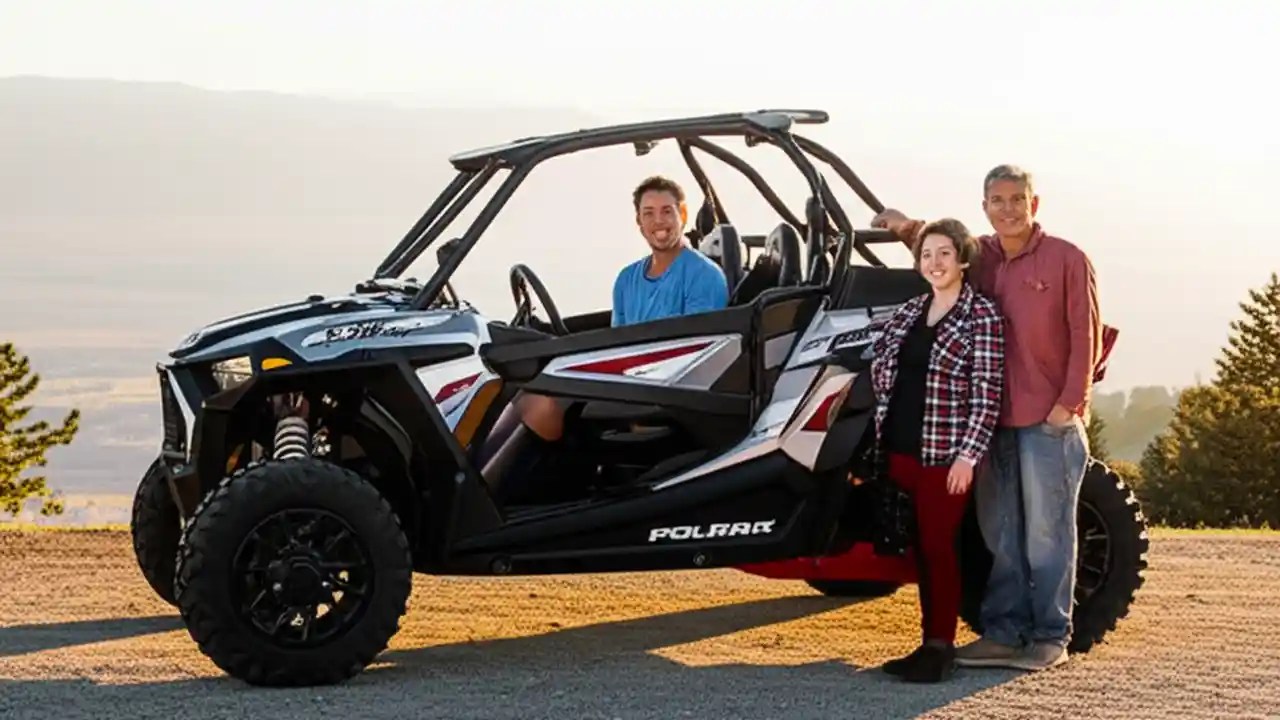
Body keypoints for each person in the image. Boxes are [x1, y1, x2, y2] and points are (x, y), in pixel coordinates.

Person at [872, 164, 1102, 672]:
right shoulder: (983, 256)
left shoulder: (1066, 258)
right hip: (993, 423)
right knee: (1001, 533)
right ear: (985, 207)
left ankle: (1048, 636)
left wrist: (1071, 403)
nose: (1008, 209)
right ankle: (1003, 633)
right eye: (997, 200)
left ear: (1034, 204)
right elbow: (941, 252)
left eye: (1017, 199)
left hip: (1048, 420)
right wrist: (906, 226)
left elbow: (1086, 333)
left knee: (1047, 535)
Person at [477, 175, 729, 492]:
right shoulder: (627, 279)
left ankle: (495, 496)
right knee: (521, 388)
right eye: (648, 213)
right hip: (629, 375)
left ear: (682, 214)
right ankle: (491, 483)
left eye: (667, 211)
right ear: (638, 222)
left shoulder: (703, 275)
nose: (658, 221)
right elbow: (616, 342)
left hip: (670, 387)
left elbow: (700, 350)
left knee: (545, 403)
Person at [869, 218, 1005, 683]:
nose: (935, 262)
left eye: (945, 253)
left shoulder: (981, 316)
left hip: (944, 456)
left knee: (938, 549)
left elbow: (987, 392)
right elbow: (881, 363)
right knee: (916, 550)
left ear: (963, 259)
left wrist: (968, 457)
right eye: (927, 254)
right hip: (900, 447)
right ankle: (927, 641)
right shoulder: (909, 311)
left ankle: (939, 647)